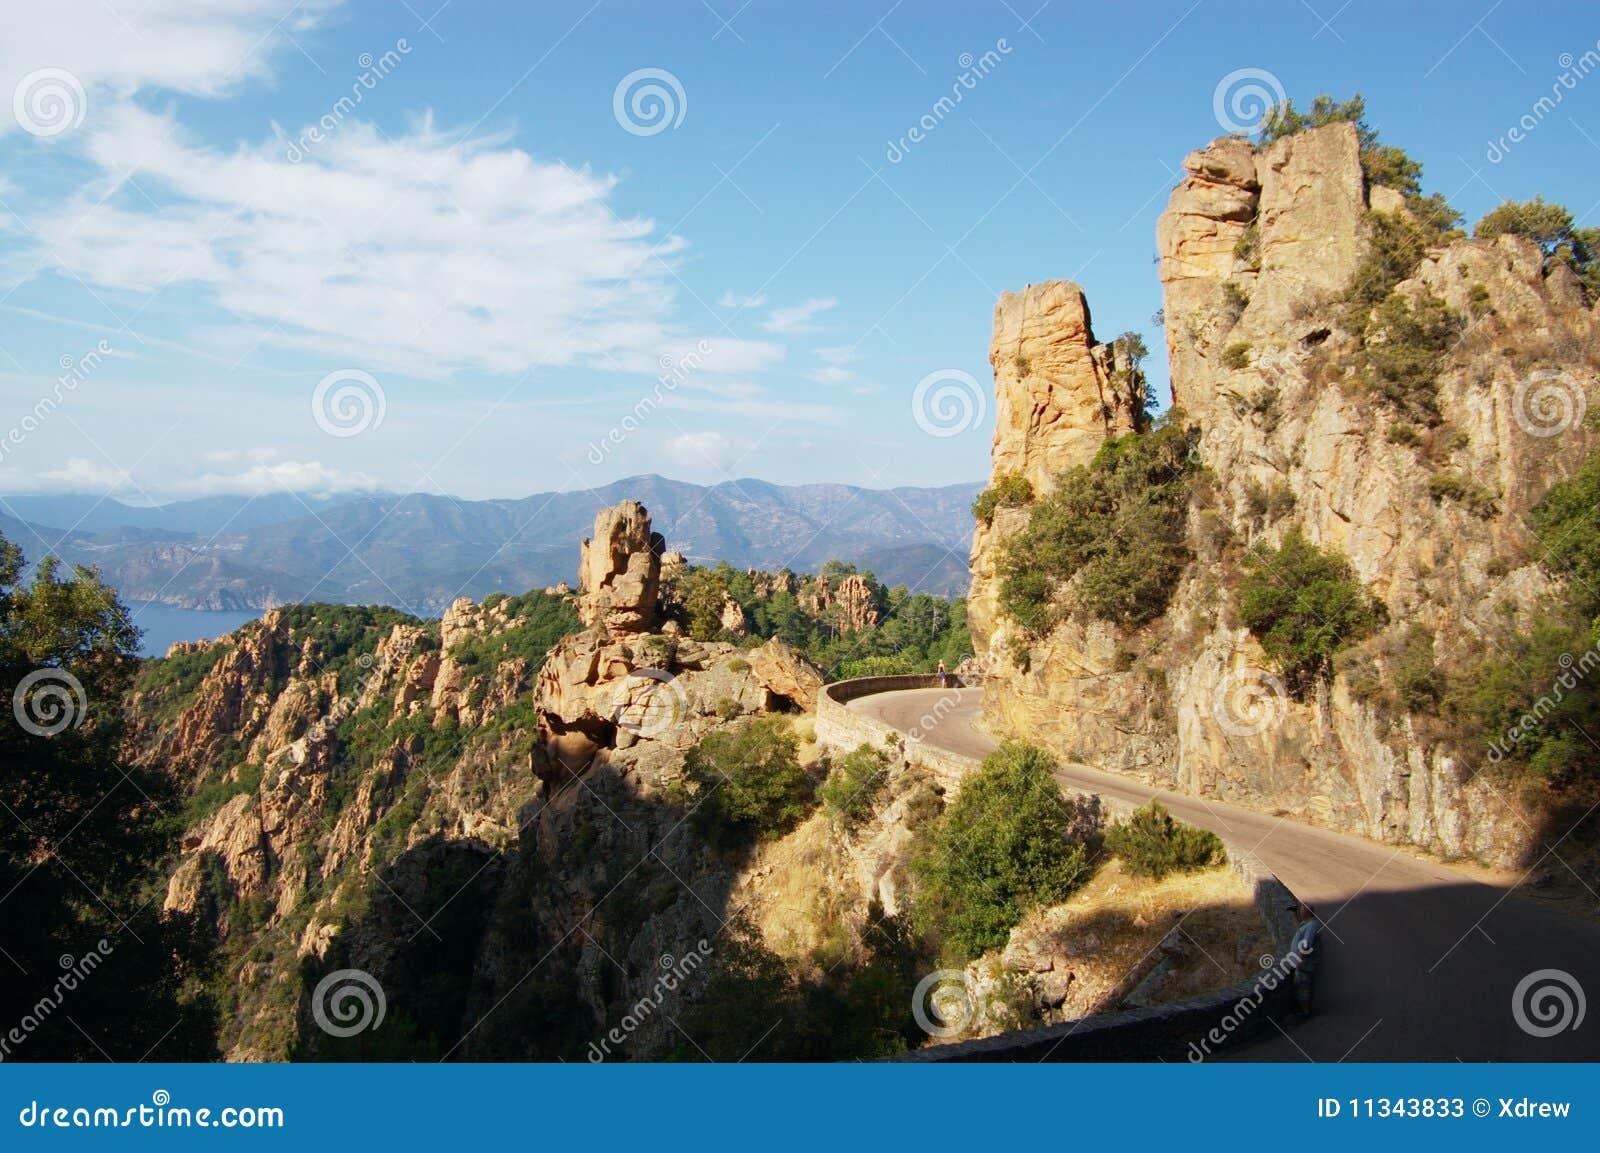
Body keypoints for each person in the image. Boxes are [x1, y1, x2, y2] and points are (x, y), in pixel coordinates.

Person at [1287, 903, 1321, 1016]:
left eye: (1302, 910)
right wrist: (1293, 914)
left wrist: (1299, 960)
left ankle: (1305, 1011)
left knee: (1303, 987)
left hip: (1305, 964)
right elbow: (1300, 930)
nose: (1300, 912)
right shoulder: (1307, 924)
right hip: (1303, 963)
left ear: (1307, 912)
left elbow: (1306, 945)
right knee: (1300, 986)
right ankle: (1302, 1010)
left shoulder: (1312, 926)